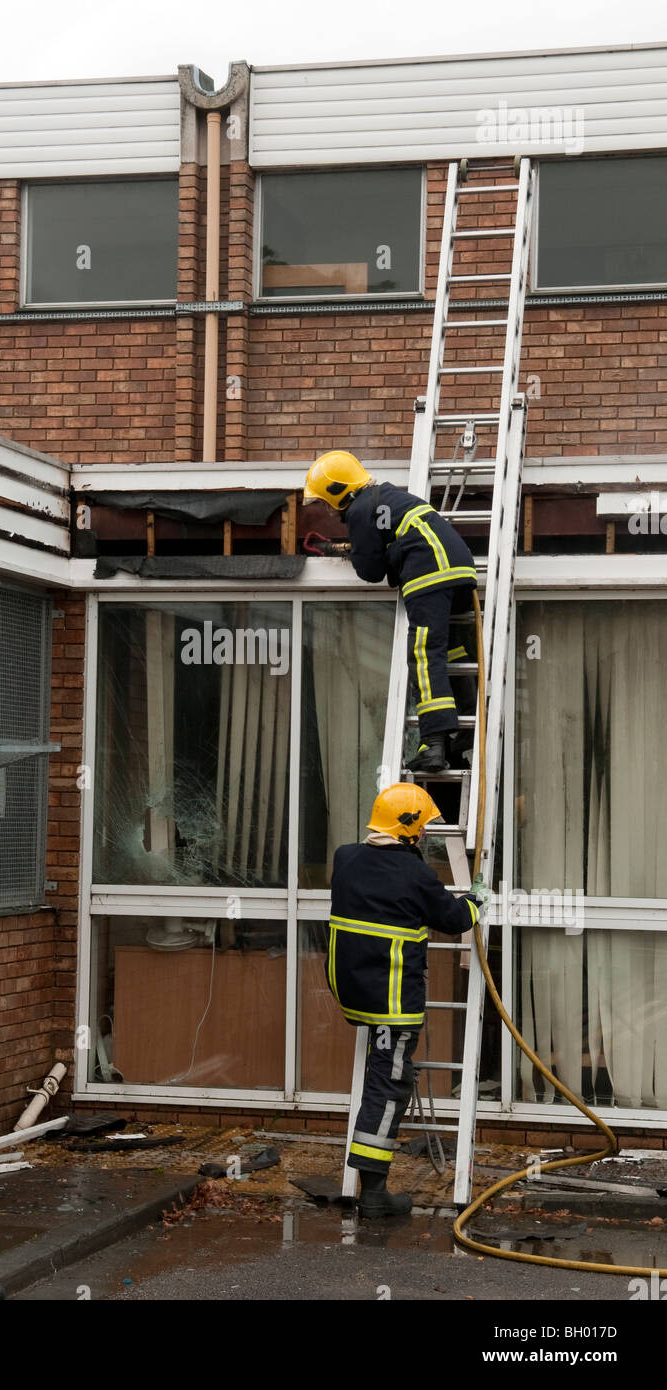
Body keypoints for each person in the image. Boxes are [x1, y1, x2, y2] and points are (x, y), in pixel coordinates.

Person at [327, 782, 485, 1217]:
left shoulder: (345, 857)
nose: (427, 836)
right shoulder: (414, 874)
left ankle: (371, 1188)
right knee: (387, 1086)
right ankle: (374, 1194)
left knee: (381, 1078)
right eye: (423, 829)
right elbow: (453, 919)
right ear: (409, 829)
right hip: (392, 1001)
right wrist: (477, 901)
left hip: (354, 990)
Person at [304, 450, 477, 773]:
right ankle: (464, 726)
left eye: (324, 502)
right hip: (458, 568)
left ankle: (434, 742)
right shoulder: (390, 496)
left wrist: (360, 550)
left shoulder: (358, 510)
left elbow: (369, 571)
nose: (326, 511)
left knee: (425, 653)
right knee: (449, 647)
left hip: (428, 572)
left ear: (338, 491)